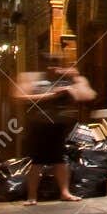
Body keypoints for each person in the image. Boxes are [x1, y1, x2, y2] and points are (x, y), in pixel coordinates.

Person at [14, 56, 95, 205]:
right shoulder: (33, 78)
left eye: (56, 64)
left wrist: (73, 82)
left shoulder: (67, 79)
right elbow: (21, 97)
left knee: (60, 159)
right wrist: (51, 96)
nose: (53, 68)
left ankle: (65, 192)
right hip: (39, 125)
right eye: (49, 64)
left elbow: (89, 95)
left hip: (59, 125)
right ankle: (32, 196)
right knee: (37, 161)